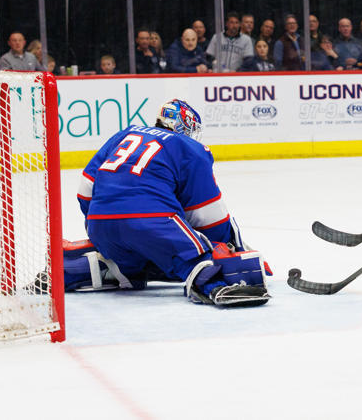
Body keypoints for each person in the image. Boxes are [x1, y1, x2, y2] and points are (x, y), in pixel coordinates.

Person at [70, 99, 270, 307]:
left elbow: (85, 190)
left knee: (133, 266)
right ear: (186, 125)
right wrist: (224, 246)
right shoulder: (190, 147)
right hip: (152, 221)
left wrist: (98, 221)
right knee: (195, 257)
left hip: (99, 222)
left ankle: (83, 269)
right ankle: (214, 285)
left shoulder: (125, 134)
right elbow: (207, 214)